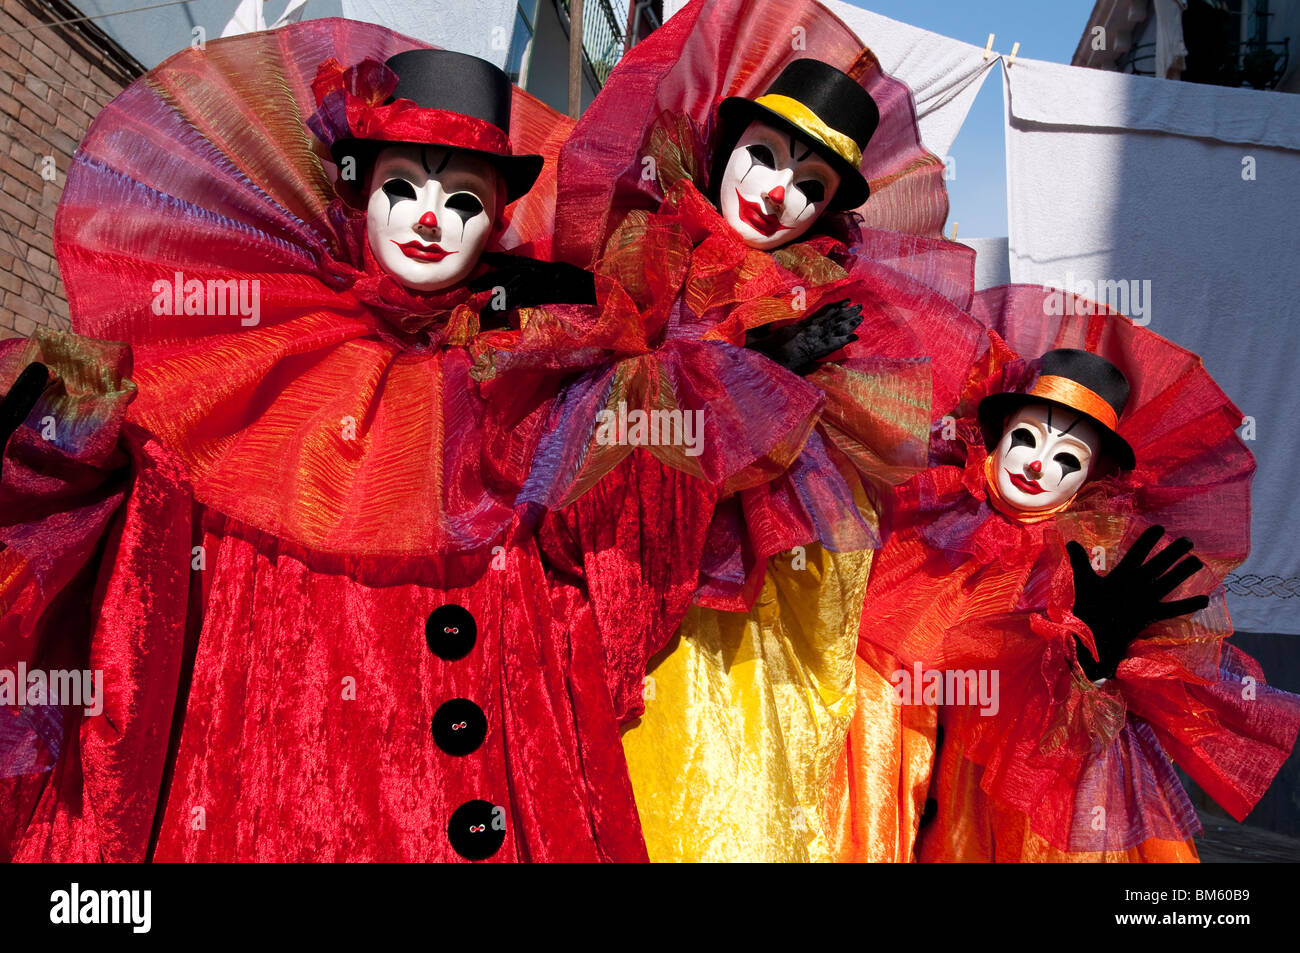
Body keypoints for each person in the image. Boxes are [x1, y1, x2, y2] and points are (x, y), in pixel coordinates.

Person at [0, 20, 736, 862]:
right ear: (360, 192)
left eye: (463, 201)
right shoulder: (267, 352)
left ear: (495, 223)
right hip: (276, 770)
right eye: (404, 189)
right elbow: (145, 533)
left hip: (474, 769)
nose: (430, 218)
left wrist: (627, 356)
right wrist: (51, 447)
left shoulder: (524, 376)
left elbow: (605, 567)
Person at [541, 0, 987, 861]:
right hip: (613, 593)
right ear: (721, 152)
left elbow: (831, 541)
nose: (776, 192)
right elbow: (595, 438)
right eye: (765, 157)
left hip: (743, 642)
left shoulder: (841, 326)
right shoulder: (638, 256)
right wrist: (736, 374)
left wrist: (779, 395)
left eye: (809, 185)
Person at [851, 286, 1300, 861]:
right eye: (1026, 439)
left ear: (1089, 481)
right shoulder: (926, 514)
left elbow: (1088, 728)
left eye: (1068, 459)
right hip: (907, 777)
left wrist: (1094, 664)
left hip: (1018, 802)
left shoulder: (1090, 559)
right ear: (994, 436)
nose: (1039, 465)